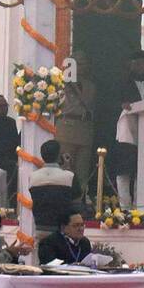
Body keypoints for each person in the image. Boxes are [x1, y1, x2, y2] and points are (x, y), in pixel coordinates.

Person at [111, 50, 144, 209]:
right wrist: (121, 105)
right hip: (127, 131)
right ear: (132, 64)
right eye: (138, 64)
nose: (142, 67)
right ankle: (125, 206)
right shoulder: (122, 82)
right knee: (125, 171)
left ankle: (140, 205)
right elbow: (110, 103)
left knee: (143, 170)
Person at [58, 52, 97, 193]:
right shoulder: (62, 83)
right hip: (67, 127)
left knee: (83, 170)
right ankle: (65, 198)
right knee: (66, 168)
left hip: (85, 128)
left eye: (85, 63)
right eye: (79, 63)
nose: (83, 67)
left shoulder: (90, 85)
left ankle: (80, 201)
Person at [30, 139, 82, 240]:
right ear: (59, 156)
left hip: (40, 229)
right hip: (62, 230)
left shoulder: (33, 177)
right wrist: (68, 167)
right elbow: (77, 196)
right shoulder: (69, 176)